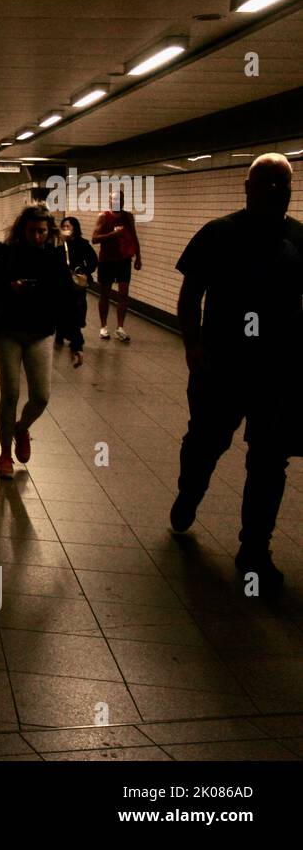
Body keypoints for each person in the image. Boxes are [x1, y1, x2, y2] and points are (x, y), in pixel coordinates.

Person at [170, 154, 300, 590]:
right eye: (268, 185)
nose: (276, 194)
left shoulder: (299, 239)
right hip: (220, 364)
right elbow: (190, 296)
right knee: (206, 442)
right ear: (247, 187)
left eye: (283, 186)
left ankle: (254, 551)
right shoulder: (218, 233)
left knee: (268, 462)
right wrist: (192, 344)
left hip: (277, 373)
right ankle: (190, 493)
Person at [0, 206, 84, 479]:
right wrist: (9, 287)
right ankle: (5, 454)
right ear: (22, 230)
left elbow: (67, 300)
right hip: (8, 330)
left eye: (41, 231)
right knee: (11, 394)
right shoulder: (7, 253)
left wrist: (76, 341)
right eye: (32, 231)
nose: (37, 237)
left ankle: (22, 427)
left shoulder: (53, 259)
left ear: (48, 231)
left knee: (41, 396)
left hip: (41, 331)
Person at [91, 192, 142, 341]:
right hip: (107, 260)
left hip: (124, 260)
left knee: (123, 294)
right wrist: (112, 235)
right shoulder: (104, 216)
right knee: (105, 294)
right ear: (110, 201)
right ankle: (103, 327)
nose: (117, 202)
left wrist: (138, 257)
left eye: (119, 199)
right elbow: (94, 239)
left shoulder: (128, 217)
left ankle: (120, 327)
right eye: (114, 199)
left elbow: (134, 236)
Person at [54, 216, 98, 347]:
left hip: (77, 282)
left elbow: (93, 261)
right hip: (61, 281)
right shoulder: (58, 244)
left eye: (68, 227)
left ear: (75, 229)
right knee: (61, 306)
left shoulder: (82, 244)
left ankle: (76, 331)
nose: (65, 230)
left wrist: (83, 270)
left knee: (78, 305)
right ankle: (60, 332)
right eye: (63, 227)